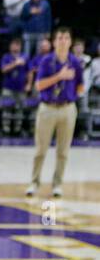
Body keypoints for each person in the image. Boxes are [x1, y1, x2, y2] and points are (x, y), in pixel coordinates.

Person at [28, 26, 83, 198]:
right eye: (60, 38)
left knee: (63, 151)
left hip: (67, 108)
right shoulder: (46, 61)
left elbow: (81, 85)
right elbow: (39, 85)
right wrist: (59, 77)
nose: (63, 41)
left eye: (66, 38)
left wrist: (73, 94)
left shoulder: (75, 62)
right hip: (47, 108)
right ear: (54, 41)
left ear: (70, 41)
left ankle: (57, 184)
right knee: (40, 150)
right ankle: (34, 182)